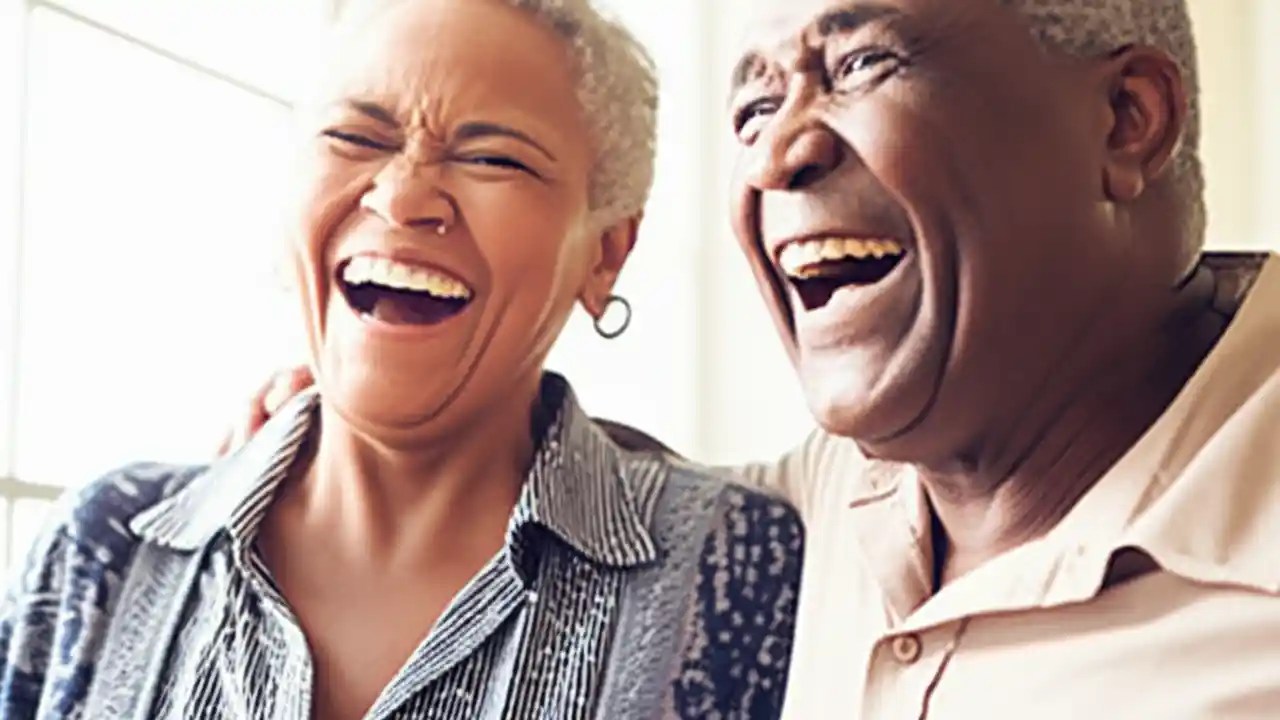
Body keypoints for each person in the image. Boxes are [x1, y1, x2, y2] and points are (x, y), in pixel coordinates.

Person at [234, 0, 1280, 717]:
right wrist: (388, 429)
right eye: (751, 106)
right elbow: (608, 494)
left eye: (862, 62)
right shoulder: (792, 530)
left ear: (1124, 121)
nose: (779, 152)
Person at [0, 1, 805, 718]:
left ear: (604, 255)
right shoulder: (101, 548)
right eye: (355, 137)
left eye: (495, 159)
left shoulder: (739, 565)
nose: (403, 196)